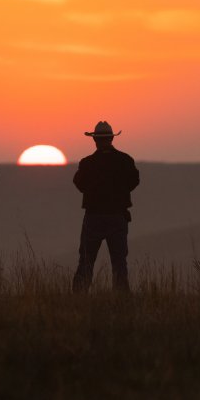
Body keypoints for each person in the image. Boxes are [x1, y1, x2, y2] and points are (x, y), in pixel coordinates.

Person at [72, 121, 140, 293]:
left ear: (94, 140)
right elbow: (134, 182)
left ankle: (79, 296)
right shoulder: (125, 160)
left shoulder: (87, 163)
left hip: (93, 217)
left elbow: (79, 183)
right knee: (118, 262)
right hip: (117, 217)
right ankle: (121, 298)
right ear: (111, 138)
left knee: (86, 260)